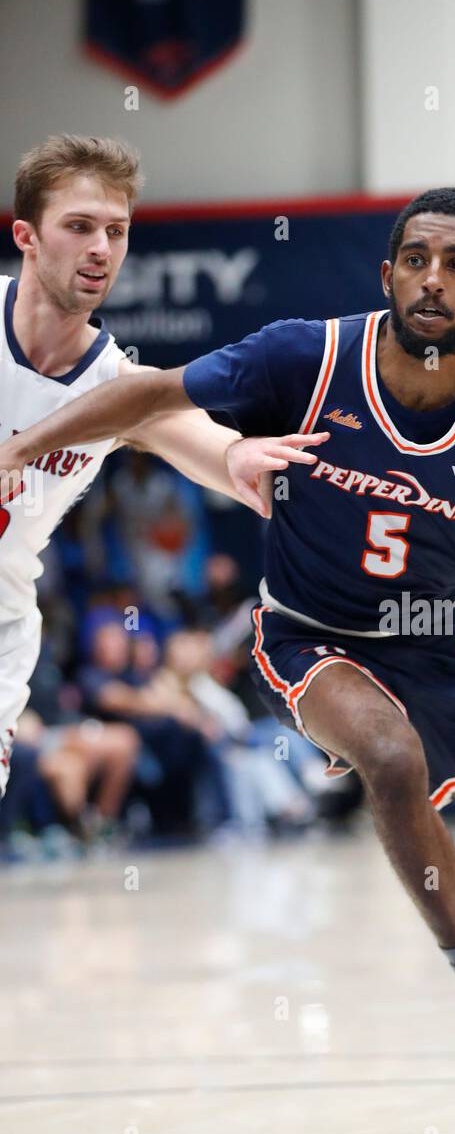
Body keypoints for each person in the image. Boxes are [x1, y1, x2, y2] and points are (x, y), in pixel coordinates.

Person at [2, 187, 455, 1134]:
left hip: (443, 650)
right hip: (310, 636)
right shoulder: (308, 354)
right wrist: (24, 443)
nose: (432, 280)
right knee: (391, 754)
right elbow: (153, 391)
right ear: (388, 275)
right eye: (416, 259)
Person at [0, 134, 327, 801]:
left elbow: (207, 444)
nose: (101, 248)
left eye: (116, 231)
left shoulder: (123, 387)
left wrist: (241, 457)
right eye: (80, 226)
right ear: (27, 236)